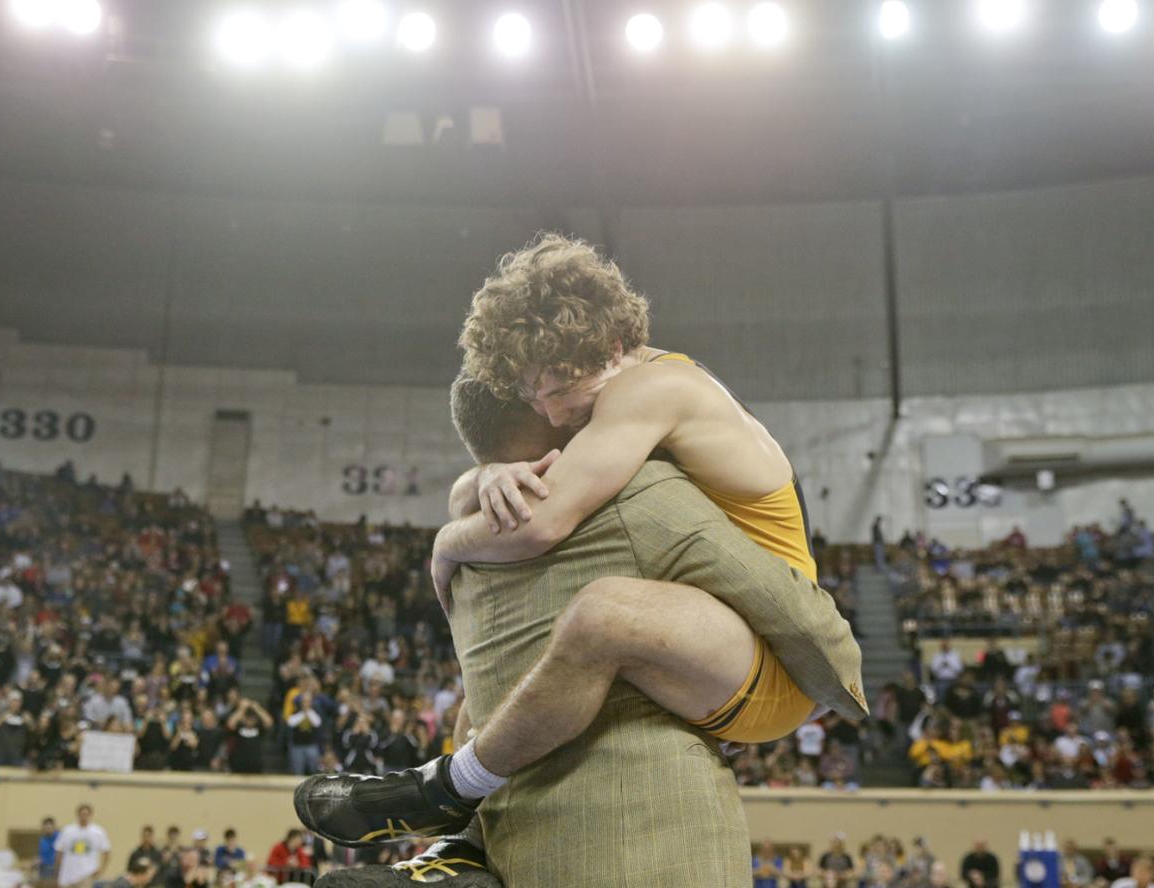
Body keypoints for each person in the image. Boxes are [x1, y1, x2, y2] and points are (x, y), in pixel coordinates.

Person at [299, 235, 865, 845]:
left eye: (559, 388)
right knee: (524, 628)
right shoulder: (603, 391)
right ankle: (457, 847)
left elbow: (542, 524)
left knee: (604, 613)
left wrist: (445, 547)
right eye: (530, 392)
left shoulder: (650, 391)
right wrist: (487, 475)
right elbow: (501, 497)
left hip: (769, 663)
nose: (547, 412)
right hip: (712, 634)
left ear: (613, 347)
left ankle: (444, 790)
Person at [55, 804, 111, 888]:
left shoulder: (98, 832)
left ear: (90, 815)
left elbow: (106, 851)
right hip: (68, 873)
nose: (83, 817)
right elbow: (59, 850)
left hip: (86, 874)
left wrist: (101, 869)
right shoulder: (67, 831)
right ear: (77, 815)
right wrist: (58, 868)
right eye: (81, 814)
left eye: (86, 814)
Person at [37, 818, 59, 888]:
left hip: (56, 869)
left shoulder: (59, 837)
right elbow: (42, 855)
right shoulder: (42, 840)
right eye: (46, 827)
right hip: (44, 868)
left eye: (49, 827)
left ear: (54, 827)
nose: (48, 829)